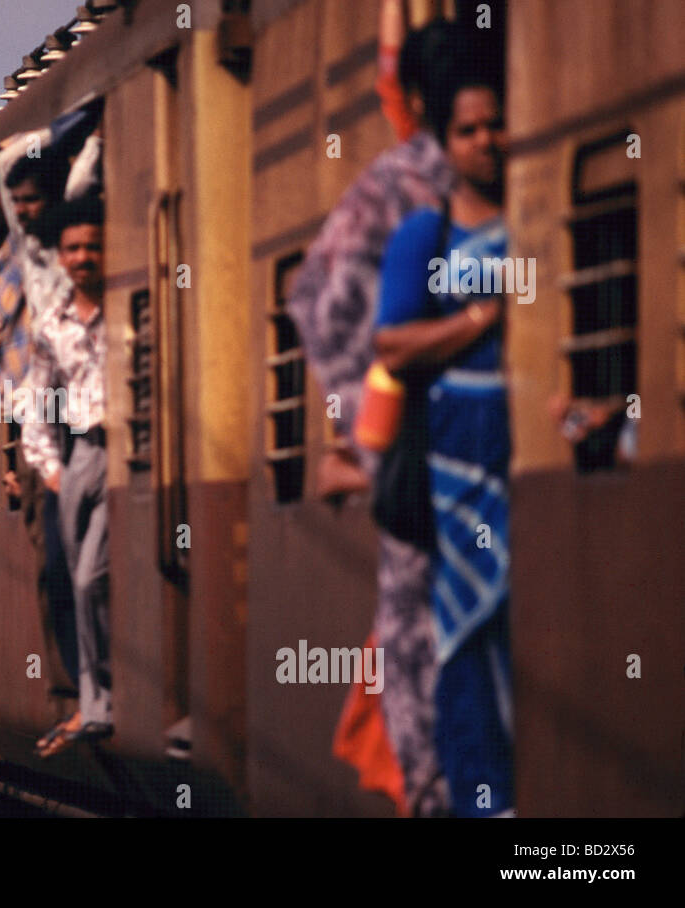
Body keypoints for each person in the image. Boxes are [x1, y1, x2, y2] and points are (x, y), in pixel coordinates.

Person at [284, 18, 467, 816]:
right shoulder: (404, 187)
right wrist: (380, 436)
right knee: (424, 654)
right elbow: (322, 301)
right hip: (428, 474)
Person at [372, 52, 512, 818]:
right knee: (464, 629)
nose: (488, 140)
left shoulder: (531, 222)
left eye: (497, 125)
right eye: (470, 129)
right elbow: (392, 345)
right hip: (458, 455)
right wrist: (477, 322)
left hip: (522, 450)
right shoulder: (427, 235)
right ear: (447, 143)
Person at [22, 197, 110, 756]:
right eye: (74, 248)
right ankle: (96, 699)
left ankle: (102, 702)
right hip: (82, 455)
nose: (84, 256)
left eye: (93, 246)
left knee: (94, 578)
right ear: (61, 255)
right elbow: (38, 400)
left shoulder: (127, 304)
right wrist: (51, 469)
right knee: (79, 579)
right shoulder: (50, 324)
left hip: (131, 451)